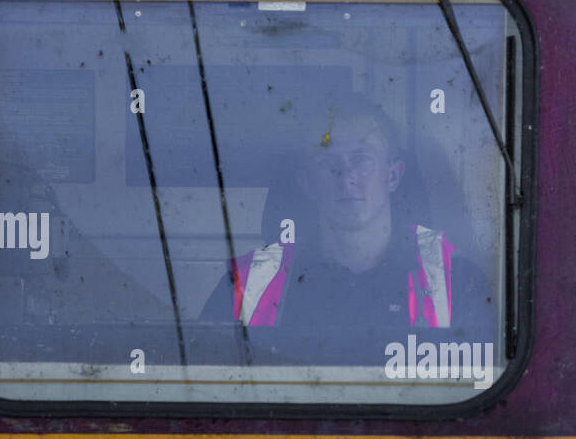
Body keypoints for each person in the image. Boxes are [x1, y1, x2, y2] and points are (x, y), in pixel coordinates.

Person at [197, 96, 494, 359]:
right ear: (307, 183)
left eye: (362, 159)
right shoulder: (247, 284)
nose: (347, 176)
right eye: (328, 162)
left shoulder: (456, 282)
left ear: (392, 175)